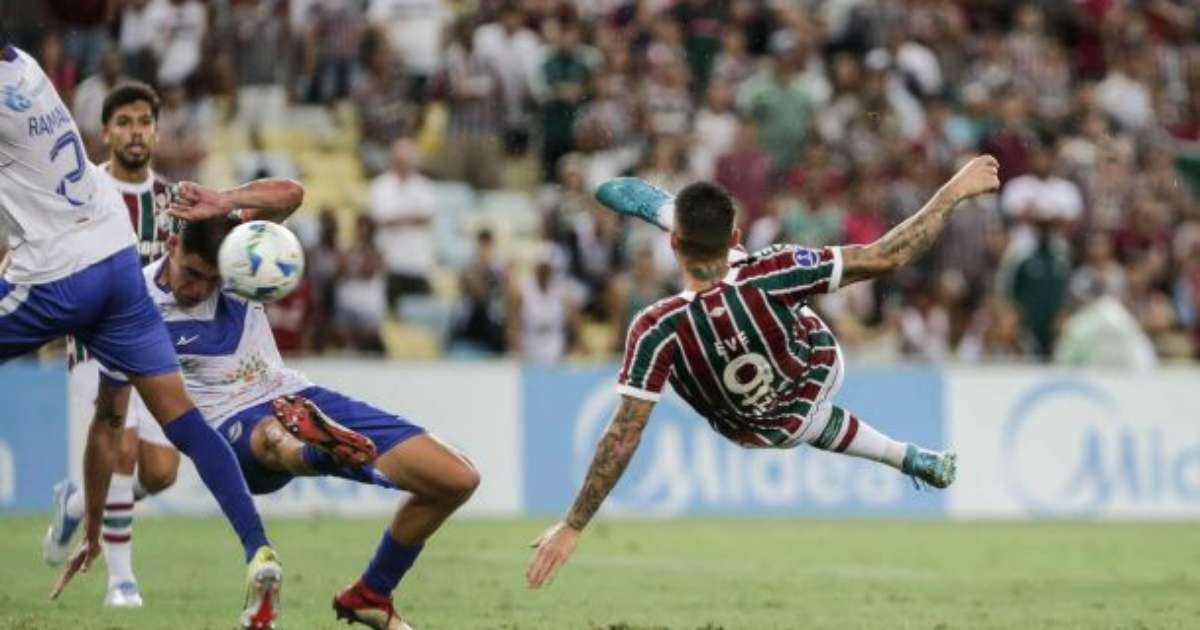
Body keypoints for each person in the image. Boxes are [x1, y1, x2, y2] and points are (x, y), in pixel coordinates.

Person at [526, 155, 1001, 588]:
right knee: (751, 280)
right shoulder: (772, 269)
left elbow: (621, 437)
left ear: (672, 244)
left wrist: (573, 525)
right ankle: (904, 454)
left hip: (761, 430)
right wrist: (953, 191)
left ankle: (671, 212)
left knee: (794, 411)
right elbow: (888, 255)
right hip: (819, 365)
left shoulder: (655, 329)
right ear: (735, 236)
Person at [0, 43, 280, 627]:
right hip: (117, 266)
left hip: (58, 274)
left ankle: (102, 540)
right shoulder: (24, 67)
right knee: (184, 426)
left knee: (153, 460)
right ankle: (258, 549)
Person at [149, 216, 478, 629]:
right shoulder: (138, 302)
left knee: (456, 479)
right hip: (231, 424)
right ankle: (320, 451)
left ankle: (371, 594)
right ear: (170, 243)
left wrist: (225, 202)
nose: (198, 289)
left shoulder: (240, 264)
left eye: (211, 280)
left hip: (295, 394)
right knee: (274, 436)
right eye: (192, 274)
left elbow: (290, 196)